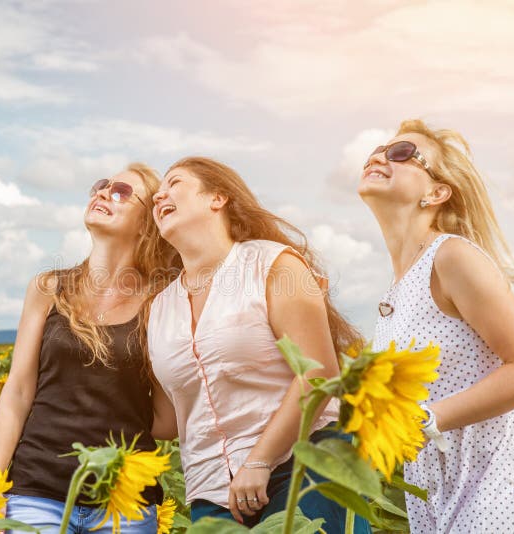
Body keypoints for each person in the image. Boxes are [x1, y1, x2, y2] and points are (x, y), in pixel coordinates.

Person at [358, 119, 514, 532]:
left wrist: (427, 419)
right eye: (376, 150)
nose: (378, 157)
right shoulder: (398, 286)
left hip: (501, 488)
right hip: (439, 493)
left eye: (401, 153)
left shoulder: (452, 257)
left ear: (436, 193)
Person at [147, 156, 371, 533]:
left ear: (217, 198)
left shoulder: (273, 264)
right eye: (157, 191)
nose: (159, 195)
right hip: (212, 493)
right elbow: (168, 421)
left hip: (302, 465)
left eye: (175, 183)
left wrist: (259, 461)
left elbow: (318, 374)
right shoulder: (160, 308)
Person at [0, 163, 175, 533]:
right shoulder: (48, 288)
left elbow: (167, 423)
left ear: (145, 223)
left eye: (121, 192)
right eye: (102, 185)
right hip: (36, 492)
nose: (102, 192)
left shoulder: (161, 302)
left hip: (124, 503)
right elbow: (18, 392)